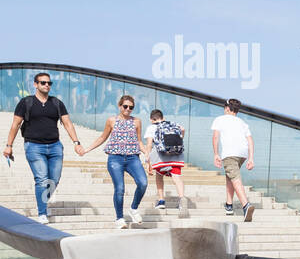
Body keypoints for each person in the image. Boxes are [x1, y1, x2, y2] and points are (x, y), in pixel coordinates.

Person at [4, 72, 82, 225]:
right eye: (43, 83)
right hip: (33, 146)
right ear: (35, 84)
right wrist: (9, 145)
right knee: (41, 179)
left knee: (54, 179)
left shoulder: (57, 103)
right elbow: (15, 124)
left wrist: (76, 142)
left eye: (49, 83)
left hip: (55, 146)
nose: (46, 85)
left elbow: (67, 123)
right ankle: (42, 213)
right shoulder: (26, 102)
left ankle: (43, 203)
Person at [77, 94, 148, 228]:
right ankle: (119, 218)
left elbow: (139, 141)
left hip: (133, 157)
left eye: (131, 107)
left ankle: (133, 208)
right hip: (115, 158)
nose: (128, 109)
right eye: (125, 106)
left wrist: (146, 153)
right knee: (120, 188)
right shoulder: (111, 120)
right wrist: (86, 150)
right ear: (120, 106)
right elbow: (103, 137)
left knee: (143, 183)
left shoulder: (137, 121)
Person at [211, 98, 255, 221]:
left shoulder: (219, 119)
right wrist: (251, 158)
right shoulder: (242, 122)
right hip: (243, 154)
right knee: (230, 176)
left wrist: (216, 154)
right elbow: (250, 140)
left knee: (235, 178)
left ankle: (246, 205)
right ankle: (229, 205)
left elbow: (215, 137)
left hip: (229, 153)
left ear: (227, 108)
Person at [142, 108, 187, 215]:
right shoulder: (173, 124)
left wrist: (147, 160)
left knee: (159, 176)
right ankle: (182, 199)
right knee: (177, 177)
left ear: (151, 119)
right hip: (176, 155)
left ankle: (161, 200)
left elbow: (149, 145)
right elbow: (183, 130)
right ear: (163, 118)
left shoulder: (151, 127)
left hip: (160, 156)